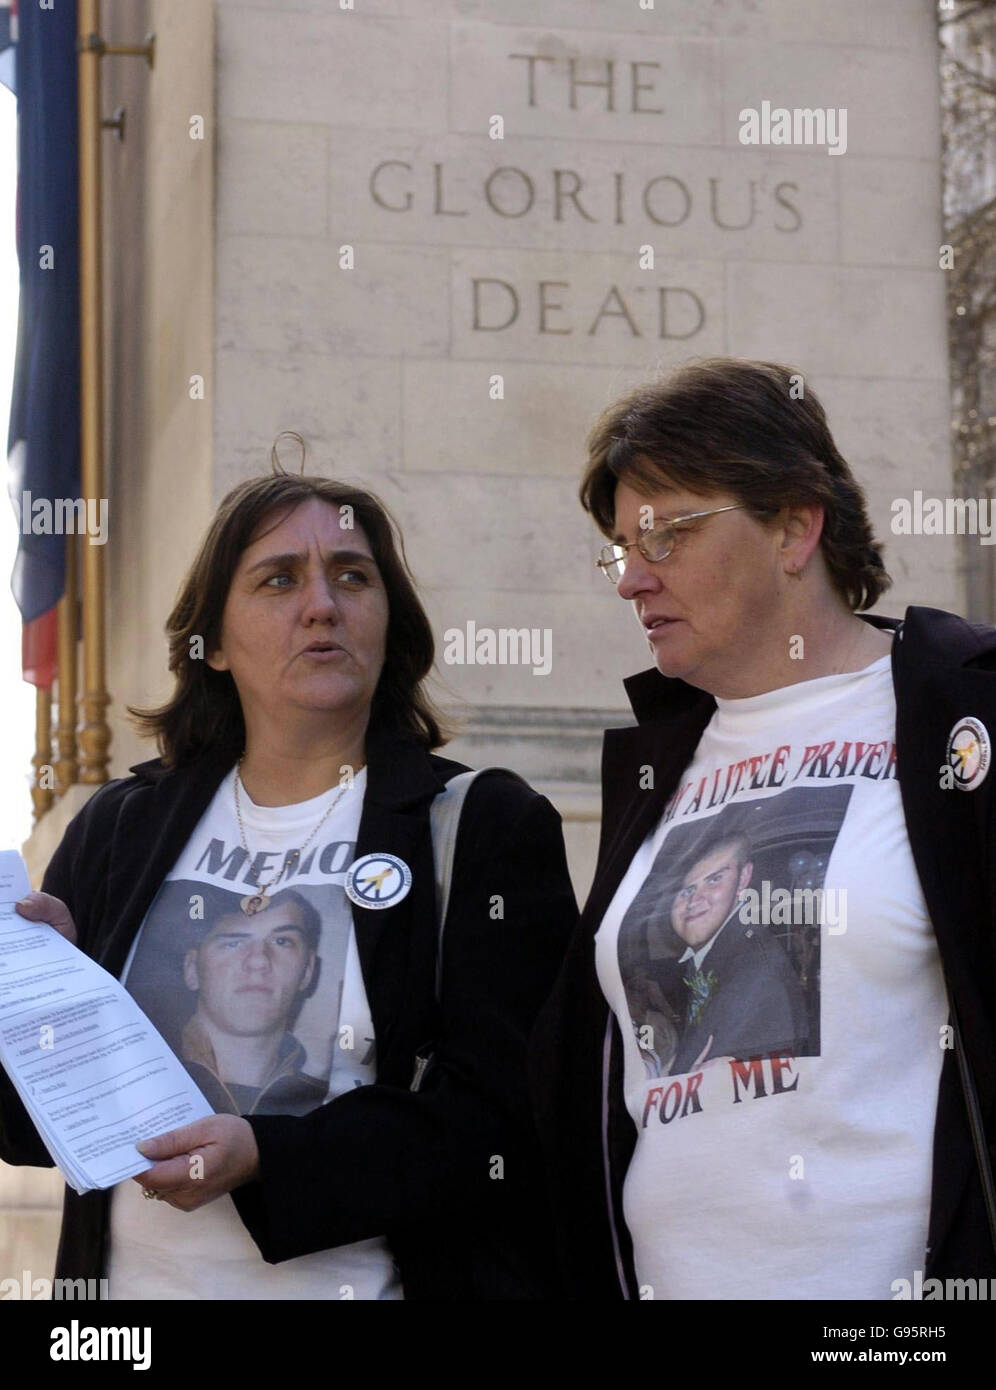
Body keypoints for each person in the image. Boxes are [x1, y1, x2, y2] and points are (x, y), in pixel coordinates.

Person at [0, 469, 577, 1300]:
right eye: (278, 579)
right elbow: (34, 1126)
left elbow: (506, 1123)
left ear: (390, 623)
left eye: (352, 575)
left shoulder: (481, 824)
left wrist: (269, 1156)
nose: (322, 605)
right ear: (217, 644)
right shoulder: (123, 825)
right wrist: (29, 1005)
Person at [530, 357, 996, 1300]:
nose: (631, 580)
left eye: (664, 535)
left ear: (794, 525)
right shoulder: (657, 768)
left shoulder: (963, 718)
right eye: (621, 547)